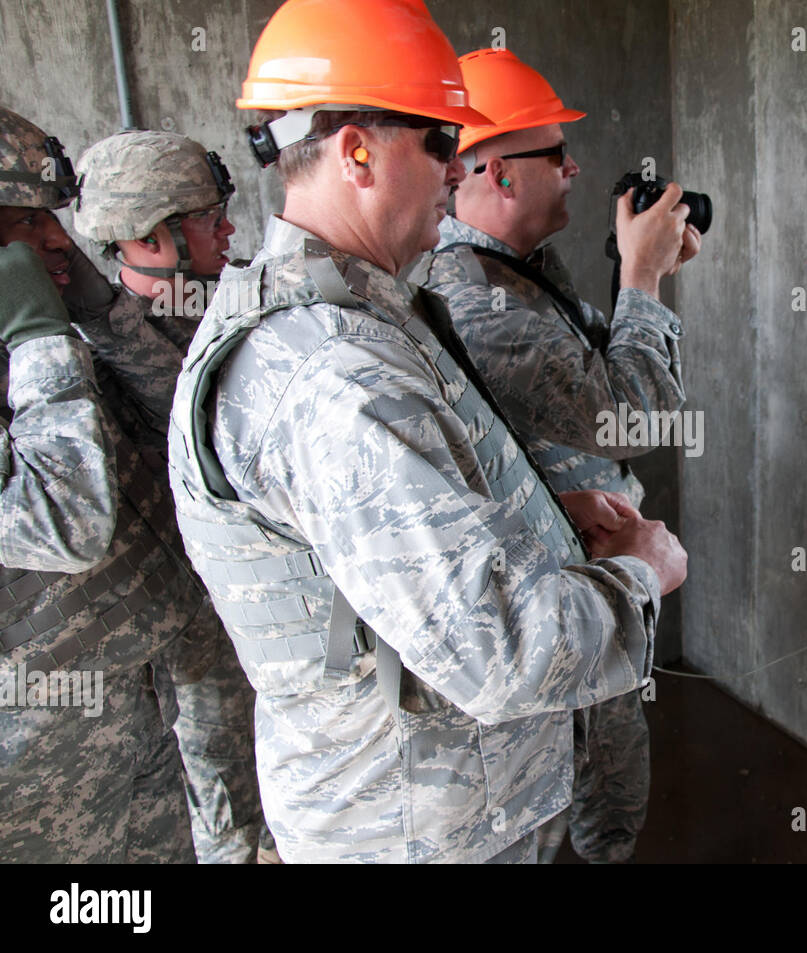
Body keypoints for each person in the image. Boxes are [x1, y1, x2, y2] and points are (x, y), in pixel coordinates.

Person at [167, 0, 687, 864]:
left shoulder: (358, 312)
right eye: (443, 141)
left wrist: (540, 506)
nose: (459, 169)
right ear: (357, 152)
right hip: (418, 830)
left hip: (448, 807)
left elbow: (371, 548)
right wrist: (643, 571)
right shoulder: (333, 374)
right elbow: (501, 651)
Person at [411, 47, 701, 863]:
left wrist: (634, 270)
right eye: (555, 153)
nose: (574, 166)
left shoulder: (520, 269)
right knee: (570, 801)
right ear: (499, 172)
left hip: (582, 568)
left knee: (608, 785)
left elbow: (592, 370)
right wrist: (642, 281)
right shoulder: (474, 291)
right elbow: (629, 419)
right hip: (550, 601)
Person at [0, 106, 196, 862]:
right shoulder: (33, 347)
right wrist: (41, 336)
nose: (58, 240)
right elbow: (64, 523)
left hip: (137, 691)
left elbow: (175, 419)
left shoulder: (45, 341)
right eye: (27, 223)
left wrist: (100, 315)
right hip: (41, 749)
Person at [73, 130, 267, 864]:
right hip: (196, 633)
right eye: (205, 216)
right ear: (149, 235)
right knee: (229, 806)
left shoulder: (238, 298)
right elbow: (185, 411)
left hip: (276, 602)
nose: (227, 228)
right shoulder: (95, 355)